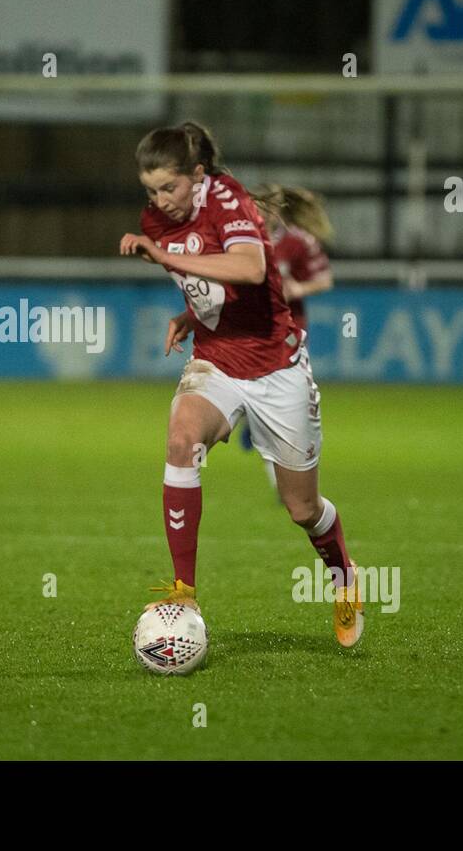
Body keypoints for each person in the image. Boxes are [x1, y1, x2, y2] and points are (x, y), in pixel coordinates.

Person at [119, 122, 362, 648]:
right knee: (182, 440)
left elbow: (251, 268)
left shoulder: (227, 199)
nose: (161, 201)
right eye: (151, 191)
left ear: (198, 176)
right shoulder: (158, 221)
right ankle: (183, 591)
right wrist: (191, 312)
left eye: (170, 188)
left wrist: (164, 258)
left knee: (302, 509)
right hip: (217, 363)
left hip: (277, 369)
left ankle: (345, 576)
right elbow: (210, 281)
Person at [239, 184, 335, 453]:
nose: (261, 213)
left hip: (289, 327)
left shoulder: (298, 241)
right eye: (256, 206)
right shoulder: (240, 239)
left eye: (267, 208)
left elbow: (325, 280)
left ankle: (275, 434)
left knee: (285, 390)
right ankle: (253, 420)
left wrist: (298, 288)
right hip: (249, 326)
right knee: (247, 382)